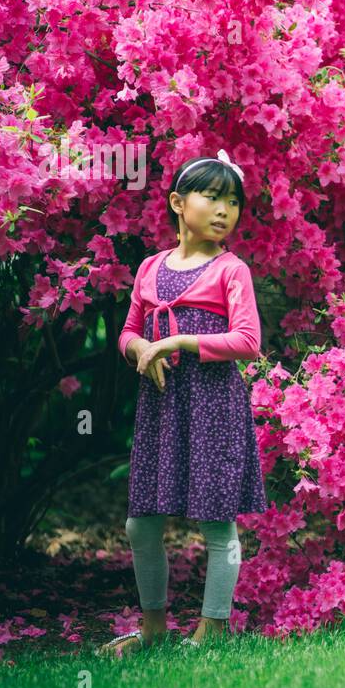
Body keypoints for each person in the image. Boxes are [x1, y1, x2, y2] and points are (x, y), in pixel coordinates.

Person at [96, 149, 268, 658]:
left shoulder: (231, 270)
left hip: (213, 407)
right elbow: (128, 331)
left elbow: (248, 341)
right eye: (211, 197)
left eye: (232, 202)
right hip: (161, 408)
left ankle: (211, 630)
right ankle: (152, 629)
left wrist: (178, 343)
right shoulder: (150, 268)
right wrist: (140, 348)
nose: (223, 210)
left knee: (217, 522)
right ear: (177, 202)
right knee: (141, 522)